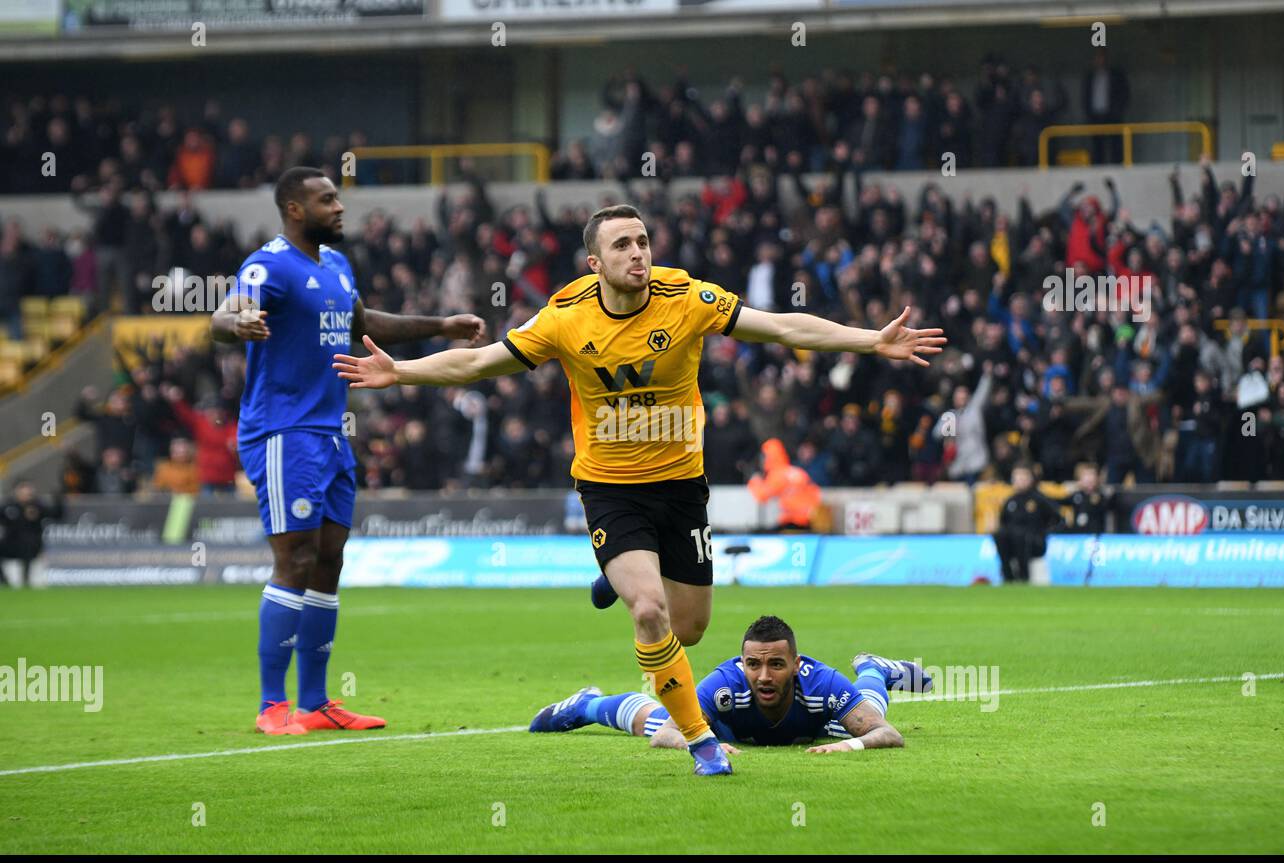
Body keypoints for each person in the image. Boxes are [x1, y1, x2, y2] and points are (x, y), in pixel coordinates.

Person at [334, 203, 946, 775]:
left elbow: (781, 328)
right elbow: (478, 362)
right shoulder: (566, 316)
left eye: (644, 241)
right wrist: (400, 371)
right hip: (610, 490)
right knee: (648, 611)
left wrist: (871, 340)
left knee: (691, 629)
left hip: (681, 489)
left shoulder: (687, 298)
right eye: (622, 244)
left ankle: (624, 571)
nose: (639, 253)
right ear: (595, 263)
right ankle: (703, 745)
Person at [209, 166, 484, 736]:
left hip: (331, 434)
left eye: (337, 197)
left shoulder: (335, 266)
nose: (339, 207)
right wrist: (239, 323)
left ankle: (315, 702)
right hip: (283, 433)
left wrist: (442, 325)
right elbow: (222, 314)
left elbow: (364, 324)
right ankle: (271, 707)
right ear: (293, 209)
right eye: (326, 199)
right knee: (296, 560)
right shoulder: (270, 263)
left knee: (329, 561)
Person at [529, 615, 927, 753]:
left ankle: (873, 670)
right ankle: (587, 706)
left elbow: (886, 733)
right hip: (728, 727)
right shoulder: (724, 684)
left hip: (813, 726)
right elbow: (664, 735)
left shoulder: (820, 682)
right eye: (754, 664)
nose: (764, 676)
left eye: (776, 664)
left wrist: (850, 745)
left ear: (796, 664)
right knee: (657, 720)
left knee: (858, 716)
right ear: (742, 662)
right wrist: (705, 743)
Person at [993, 462, 1062, 583]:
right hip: (1013, 543)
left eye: (1023, 477)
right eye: (1016, 477)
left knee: (1020, 534)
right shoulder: (1010, 501)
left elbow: (1058, 519)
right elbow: (1003, 522)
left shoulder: (1039, 499)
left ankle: (1024, 576)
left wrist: (1044, 534)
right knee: (1000, 534)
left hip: (1033, 543)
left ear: (1030, 479)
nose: (1019, 480)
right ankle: (1007, 574)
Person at [747, 438, 822, 530]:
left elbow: (762, 496)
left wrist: (754, 481)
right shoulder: (796, 471)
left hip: (793, 521)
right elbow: (815, 491)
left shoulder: (778, 474)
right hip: (808, 520)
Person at [0, 482, 62, 588]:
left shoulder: (37, 506)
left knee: (27, 542)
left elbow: (56, 515)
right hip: (10, 544)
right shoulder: (9, 506)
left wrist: (58, 499)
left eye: (28, 493)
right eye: (23, 492)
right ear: (17, 493)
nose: (25, 496)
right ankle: (4, 580)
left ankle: (26, 579)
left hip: (31, 545)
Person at [1062, 462, 1110, 534]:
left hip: (1096, 536)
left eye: (1092, 475)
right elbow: (1059, 503)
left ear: (1097, 478)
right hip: (1077, 536)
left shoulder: (1101, 496)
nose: (1090, 478)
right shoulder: (1075, 495)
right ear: (1079, 479)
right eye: (1086, 475)